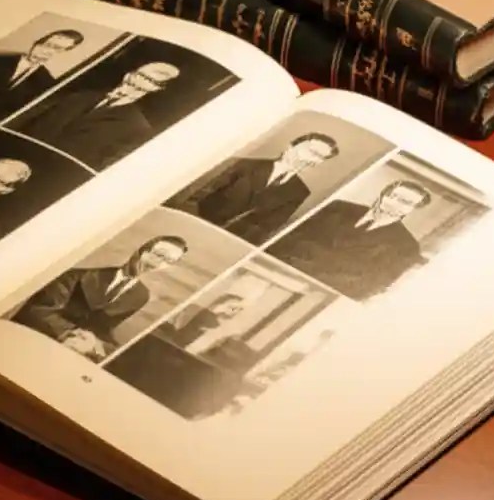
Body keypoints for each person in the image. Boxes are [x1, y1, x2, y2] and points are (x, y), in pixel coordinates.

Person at [12, 235, 189, 360]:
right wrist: (70, 334)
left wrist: (97, 346)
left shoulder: (140, 296)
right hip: (30, 341)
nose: (159, 263)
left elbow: (104, 329)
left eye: (169, 261)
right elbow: (38, 310)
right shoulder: (79, 276)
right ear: (142, 250)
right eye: (159, 255)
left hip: (69, 356)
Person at [269, 179, 432, 300]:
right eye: (392, 196)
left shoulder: (406, 247)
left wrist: (310, 265)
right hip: (273, 270)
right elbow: (286, 237)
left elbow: (369, 285)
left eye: (405, 202)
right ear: (383, 194)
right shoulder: (337, 208)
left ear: (413, 209)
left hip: (319, 299)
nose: (394, 204)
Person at [171, 132, 339, 244]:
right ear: (289, 147)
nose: (311, 159)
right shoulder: (242, 164)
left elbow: (264, 230)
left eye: (320, 158)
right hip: (185, 225)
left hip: (223, 245)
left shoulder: (299, 193)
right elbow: (192, 197)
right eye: (311, 151)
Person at [9, 61, 179, 170]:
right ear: (128, 74)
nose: (139, 82)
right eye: (140, 75)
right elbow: (26, 119)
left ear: (157, 89)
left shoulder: (137, 127)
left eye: (151, 81)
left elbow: (103, 168)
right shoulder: (80, 95)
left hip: (47, 180)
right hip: (10, 157)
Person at [165, 293, 246, 348]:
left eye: (239, 310)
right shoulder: (209, 320)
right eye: (232, 308)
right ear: (219, 304)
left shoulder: (218, 325)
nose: (235, 312)